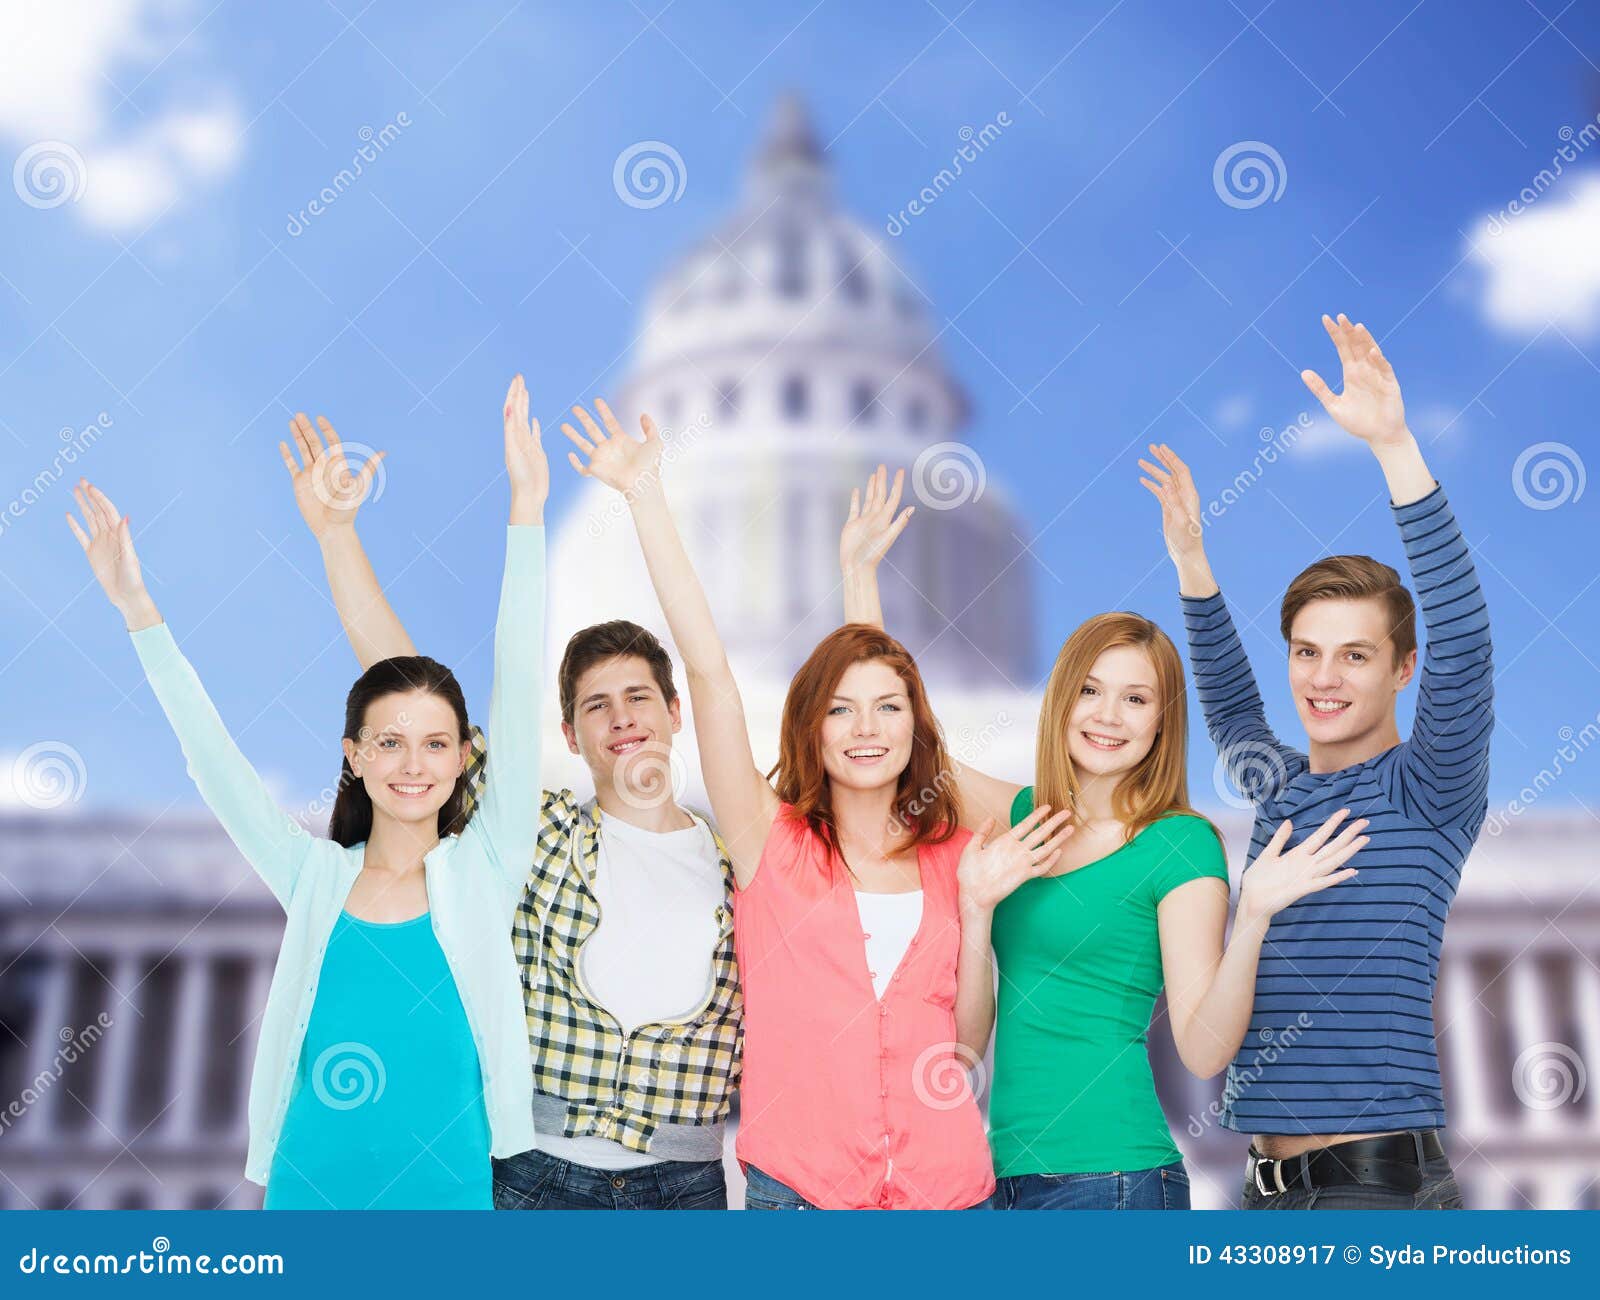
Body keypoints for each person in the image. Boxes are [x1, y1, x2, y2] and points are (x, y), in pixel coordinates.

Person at [561, 399, 1074, 1209]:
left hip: (947, 1200)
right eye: (838, 710)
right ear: (812, 728)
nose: (865, 730)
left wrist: (978, 915)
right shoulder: (771, 844)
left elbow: (963, 1053)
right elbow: (710, 676)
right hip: (798, 1198)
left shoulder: (956, 861)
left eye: (889, 709)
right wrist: (645, 495)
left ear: (917, 726)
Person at [65, 376, 547, 1208]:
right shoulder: (316, 877)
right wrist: (138, 610)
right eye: (389, 742)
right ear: (353, 757)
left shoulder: (489, 864)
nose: (413, 763)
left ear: (467, 757)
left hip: (451, 1195)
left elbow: (522, 671)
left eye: (436, 744)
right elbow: (214, 764)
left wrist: (526, 510)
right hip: (308, 1188)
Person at [843, 465, 1367, 1210]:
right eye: (1090, 690)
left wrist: (1251, 917)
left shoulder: (1177, 844)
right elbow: (900, 748)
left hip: (1116, 1179)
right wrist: (861, 579)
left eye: (1135, 698)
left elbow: (1203, 1047)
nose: (1107, 715)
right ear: (1061, 699)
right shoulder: (1022, 817)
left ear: (1161, 722)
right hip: (1003, 1177)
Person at [279, 399, 739, 1211]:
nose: (623, 716)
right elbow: (405, 684)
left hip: (688, 1181)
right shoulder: (533, 828)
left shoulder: (741, 856)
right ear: (568, 731)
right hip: (536, 1173)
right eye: (597, 704)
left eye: (639, 696)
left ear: (675, 712)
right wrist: (337, 536)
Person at [1141, 313, 1493, 1209]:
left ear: (1402, 668)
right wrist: (1191, 561)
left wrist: (1394, 447)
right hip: (1266, 1189)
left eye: (1356, 654)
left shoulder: (1430, 785)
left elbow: (1466, 638)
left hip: (1373, 1188)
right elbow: (1225, 702)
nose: (1324, 679)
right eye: (1306, 651)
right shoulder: (1281, 788)